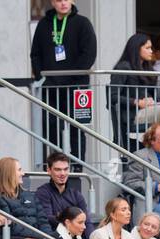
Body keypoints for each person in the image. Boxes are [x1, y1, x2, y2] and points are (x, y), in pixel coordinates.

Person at [29, 0, 96, 161]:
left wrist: (70, 76)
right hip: (51, 87)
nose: (63, 3)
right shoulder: (44, 24)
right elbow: (35, 54)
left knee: (77, 127)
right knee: (51, 127)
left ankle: (78, 164)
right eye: (59, 0)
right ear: (52, 2)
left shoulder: (83, 23)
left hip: (76, 86)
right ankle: (55, 164)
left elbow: (89, 54)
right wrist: (41, 77)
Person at [107, 33, 160, 151]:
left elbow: (150, 95)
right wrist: (137, 102)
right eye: (147, 48)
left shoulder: (148, 68)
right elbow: (112, 96)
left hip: (150, 110)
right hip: (133, 114)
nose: (151, 51)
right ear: (136, 48)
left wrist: (157, 101)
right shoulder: (123, 67)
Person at [0, 156, 45, 239]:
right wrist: (43, 237)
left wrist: (49, 237)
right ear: (8, 173)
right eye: (19, 170)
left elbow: (43, 221)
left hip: (37, 237)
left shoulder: (30, 195)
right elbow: (12, 226)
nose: (23, 173)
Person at [34, 151, 93, 234]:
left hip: (77, 238)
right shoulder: (42, 193)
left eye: (65, 169)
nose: (62, 173)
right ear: (49, 171)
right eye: (58, 170)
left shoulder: (76, 194)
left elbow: (86, 221)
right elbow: (48, 219)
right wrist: (74, 222)